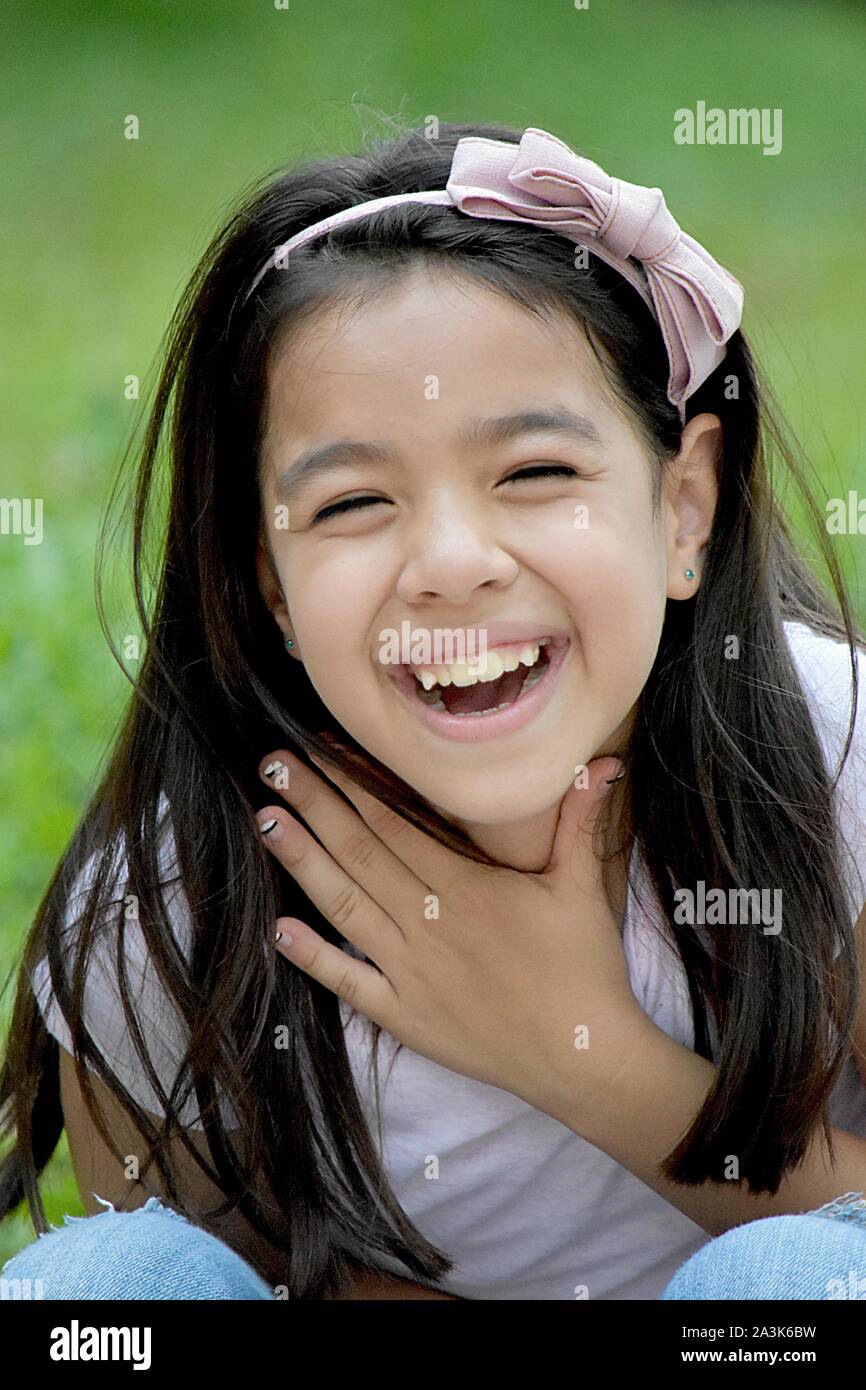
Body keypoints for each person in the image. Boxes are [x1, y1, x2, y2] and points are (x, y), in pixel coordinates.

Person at [3, 119, 866, 1301]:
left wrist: (575, 1051)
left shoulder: (831, 763)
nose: (451, 562)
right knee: (102, 1285)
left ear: (683, 507)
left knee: (788, 1282)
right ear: (270, 581)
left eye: (534, 473)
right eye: (355, 500)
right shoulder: (176, 905)